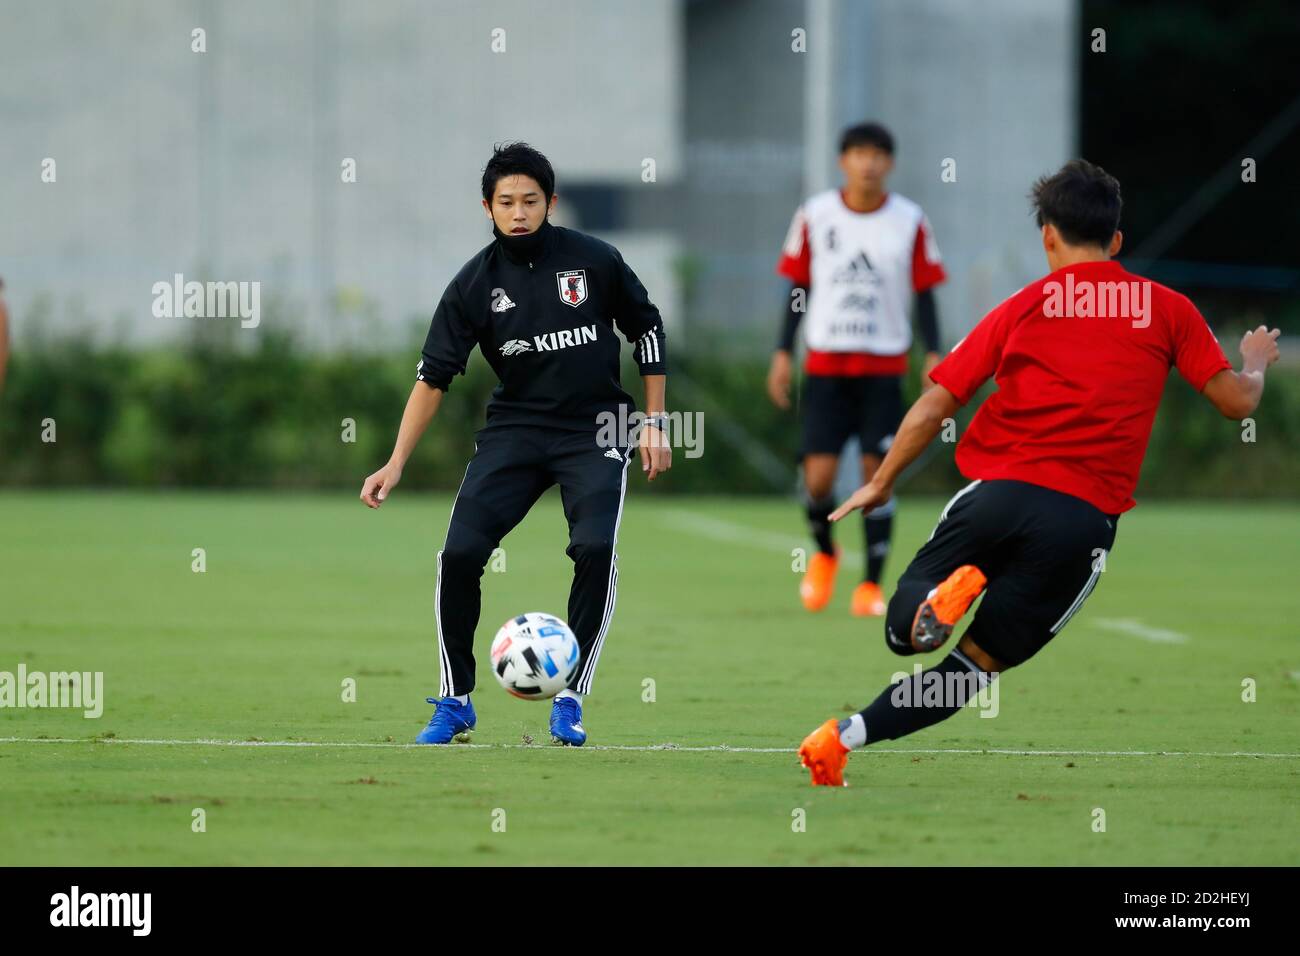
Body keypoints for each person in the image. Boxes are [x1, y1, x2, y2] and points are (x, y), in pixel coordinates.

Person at [797, 159, 1281, 785]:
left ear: (1047, 235)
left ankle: (928, 613)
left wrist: (883, 479)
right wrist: (1255, 362)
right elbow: (1235, 402)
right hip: (1079, 523)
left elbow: (938, 400)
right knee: (972, 670)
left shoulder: (1024, 305)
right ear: (1116, 242)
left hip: (996, 495)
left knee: (902, 630)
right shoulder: (1168, 310)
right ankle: (844, 738)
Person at [360, 143, 671, 746]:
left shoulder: (596, 260)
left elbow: (647, 327)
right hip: (515, 430)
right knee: (459, 556)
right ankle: (455, 700)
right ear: (488, 207)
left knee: (593, 548)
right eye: (506, 202)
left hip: (597, 427)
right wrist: (396, 462)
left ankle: (571, 697)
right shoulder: (473, 284)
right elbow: (432, 378)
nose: (519, 211)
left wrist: (655, 421)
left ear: (551, 202)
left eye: (531, 200)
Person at [767, 122, 946, 617]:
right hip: (825, 366)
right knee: (818, 481)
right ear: (843, 161)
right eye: (858, 153)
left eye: (877, 155)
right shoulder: (815, 214)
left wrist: (933, 351)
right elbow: (797, 286)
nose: (868, 163)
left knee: (876, 473)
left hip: (883, 368)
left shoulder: (909, 220)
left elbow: (925, 290)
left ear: (889, 163)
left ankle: (869, 585)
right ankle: (826, 552)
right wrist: (783, 351)